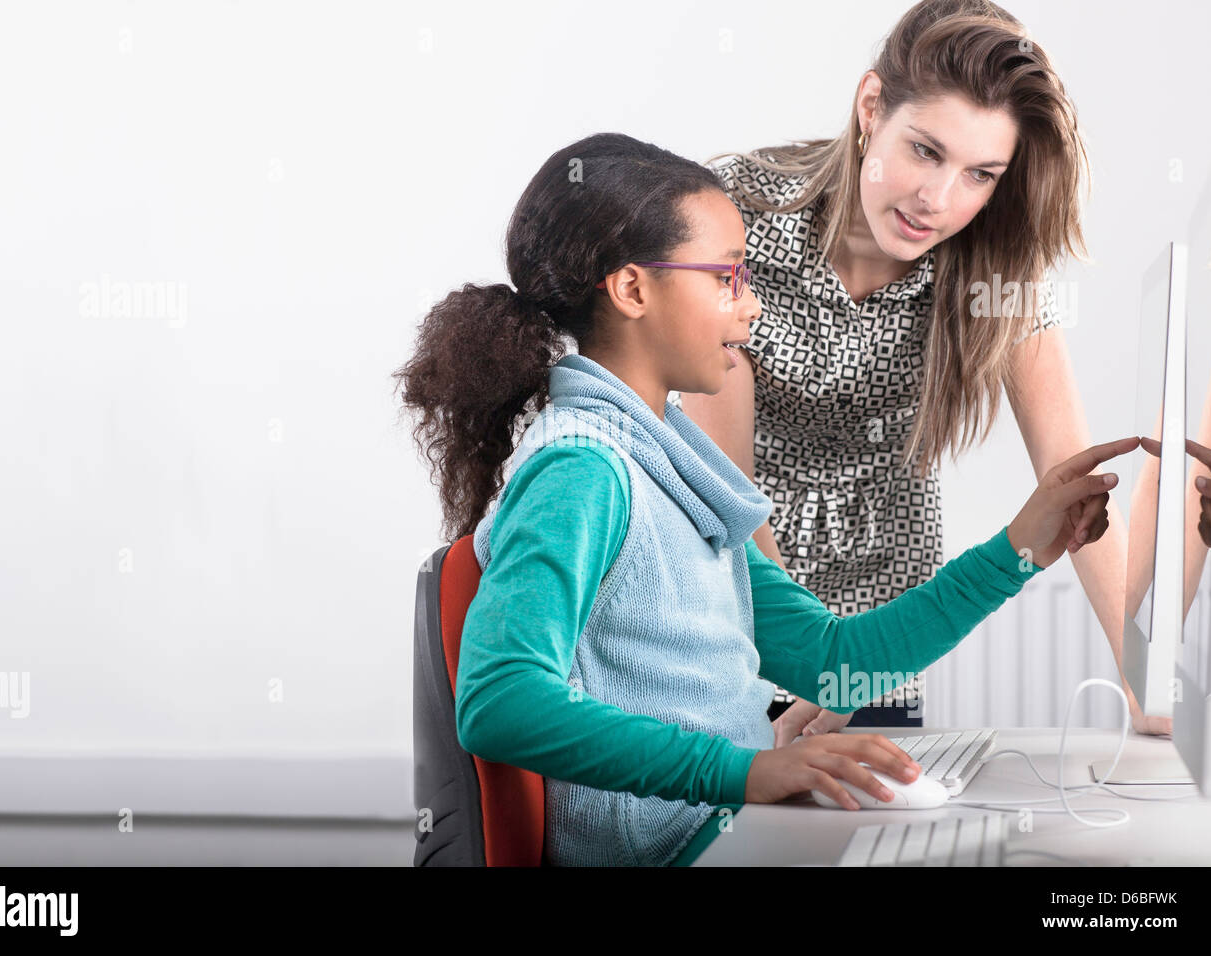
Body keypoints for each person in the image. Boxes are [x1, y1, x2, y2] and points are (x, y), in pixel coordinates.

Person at [394, 131, 1134, 867]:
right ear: (632, 289)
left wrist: (1018, 551)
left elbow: (835, 662)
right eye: (726, 277)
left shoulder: (669, 464)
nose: (751, 307)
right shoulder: (583, 470)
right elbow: (499, 700)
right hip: (680, 850)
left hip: (725, 832)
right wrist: (745, 773)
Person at [680, 0, 1168, 739]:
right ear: (871, 107)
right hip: (741, 625)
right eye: (925, 151)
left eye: (980, 174)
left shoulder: (996, 268)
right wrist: (812, 665)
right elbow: (730, 492)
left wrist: (1143, 678)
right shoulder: (738, 218)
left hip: (887, 638)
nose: (936, 201)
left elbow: (1072, 475)